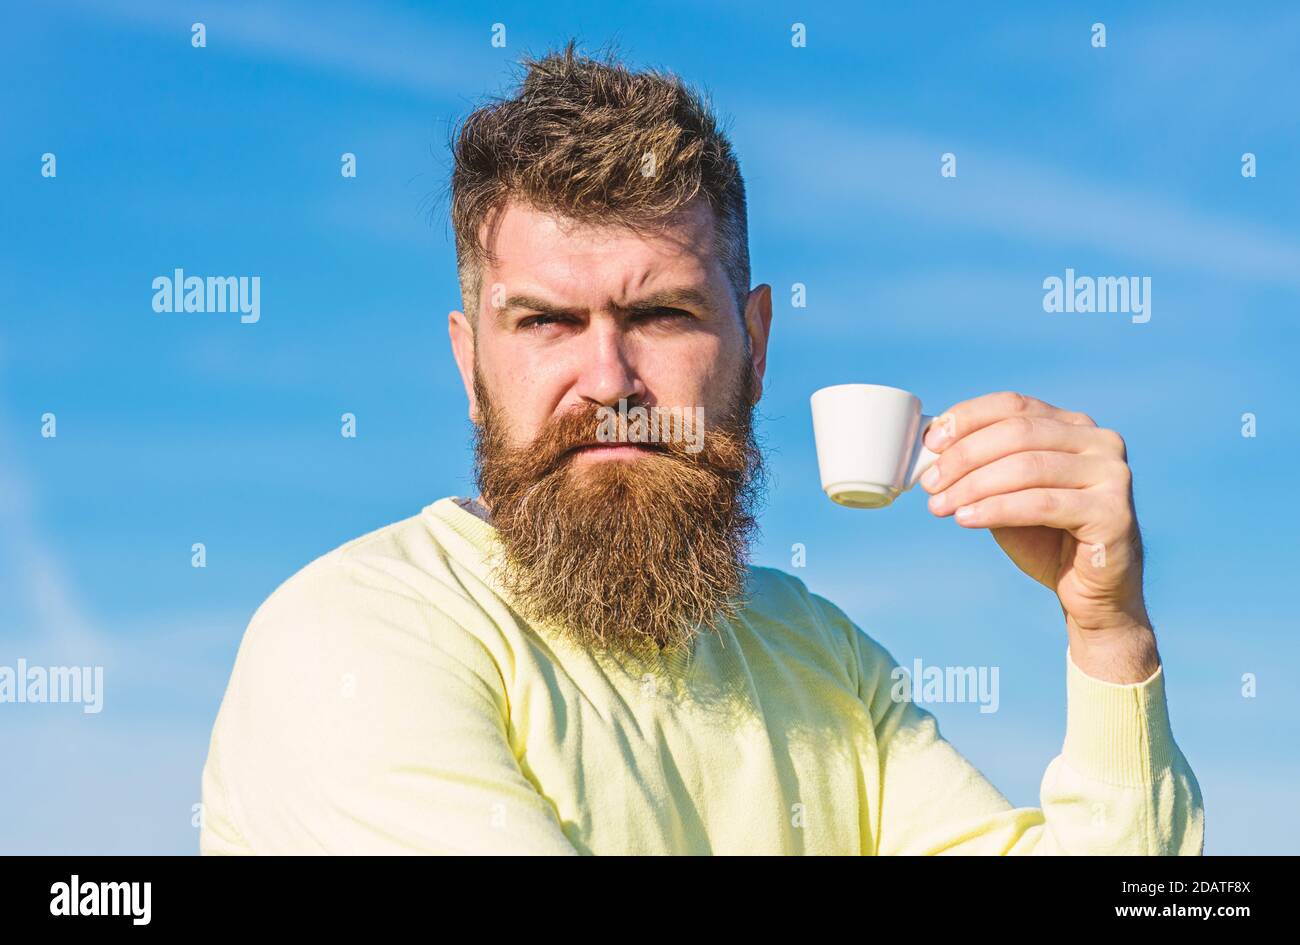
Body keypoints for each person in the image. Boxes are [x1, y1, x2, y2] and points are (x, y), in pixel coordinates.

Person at [199, 40, 1203, 855]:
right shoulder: (352, 637)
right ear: (470, 369)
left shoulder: (822, 658)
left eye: (663, 316)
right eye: (546, 322)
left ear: (754, 348)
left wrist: (1108, 635)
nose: (609, 381)